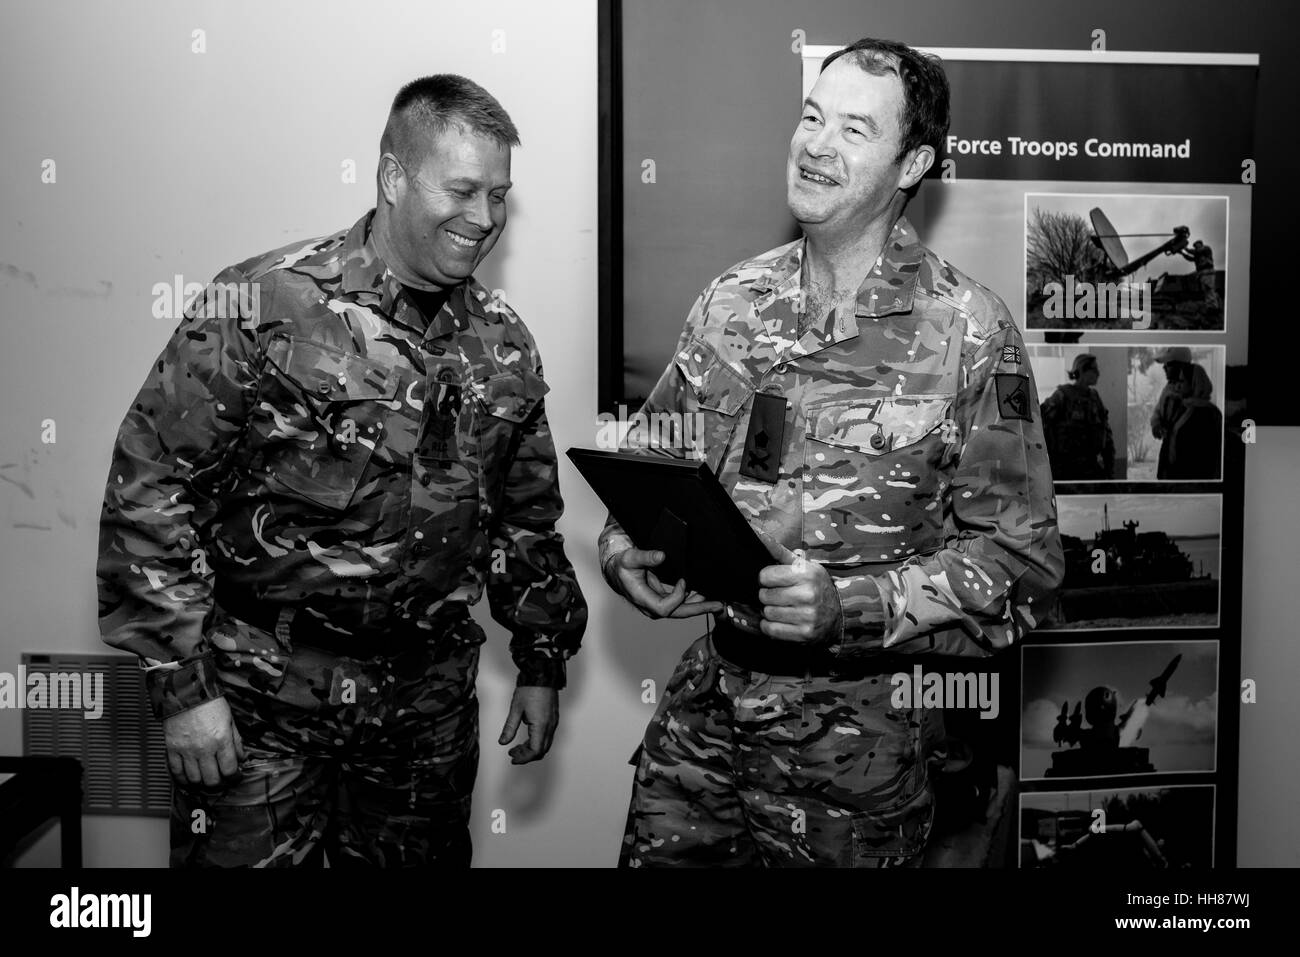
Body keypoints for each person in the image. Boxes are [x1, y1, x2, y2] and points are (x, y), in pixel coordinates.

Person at [97, 75, 587, 867]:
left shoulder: (502, 342)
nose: (485, 218)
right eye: (461, 190)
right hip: (260, 706)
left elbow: (525, 515)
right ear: (394, 177)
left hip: (422, 715)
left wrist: (542, 657)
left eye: (499, 195)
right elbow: (151, 485)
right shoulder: (264, 302)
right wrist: (182, 690)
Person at [599, 38, 1063, 867]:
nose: (816, 144)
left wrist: (848, 606)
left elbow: (1021, 569)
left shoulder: (970, 333)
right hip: (702, 737)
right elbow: (655, 456)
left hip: (857, 764)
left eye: (854, 129)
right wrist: (625, 547)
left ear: (912, 161)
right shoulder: (730, 302)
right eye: (812, 116)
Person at [1041, 353, 1116, 479]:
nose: (1098, 373)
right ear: (1082, 370)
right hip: (1065, 470)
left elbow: (1106, 434)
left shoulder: (1094, 397)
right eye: (1094, 369)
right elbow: (1042, 425)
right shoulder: (1062, 395)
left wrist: (1109, 469)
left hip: (1090, 468)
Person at [1164, 363, 1223, 479]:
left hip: (1193, 479)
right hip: (1176, 477)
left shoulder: (1208, 413)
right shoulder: (1184, 407)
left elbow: (1207, 456)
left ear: (1195, 383)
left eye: (1182, 382)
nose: (1177, 387)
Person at [1151, 346, 1192, 479]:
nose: (1164, 368)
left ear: (1180, 366)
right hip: (1167, 447)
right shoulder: (1168, 388)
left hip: (1185, 450)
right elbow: (1158, 411)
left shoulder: (1193, 388)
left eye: (1168, 365)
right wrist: (1156, 424)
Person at [1178, 239, 1220, 309]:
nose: (1195, 247)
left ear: (1201, 244)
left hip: (1208, 272)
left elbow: (1196, 251)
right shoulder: (1198, 254)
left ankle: (1213, 307)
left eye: (1196, 245)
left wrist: (1186, 249)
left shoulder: (1206, 249)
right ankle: (1211, 306)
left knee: (1209, 290)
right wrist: (1182, 253)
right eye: (1194, 246)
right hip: (1203, 274)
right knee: (1207, 291)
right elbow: (1190, 258)